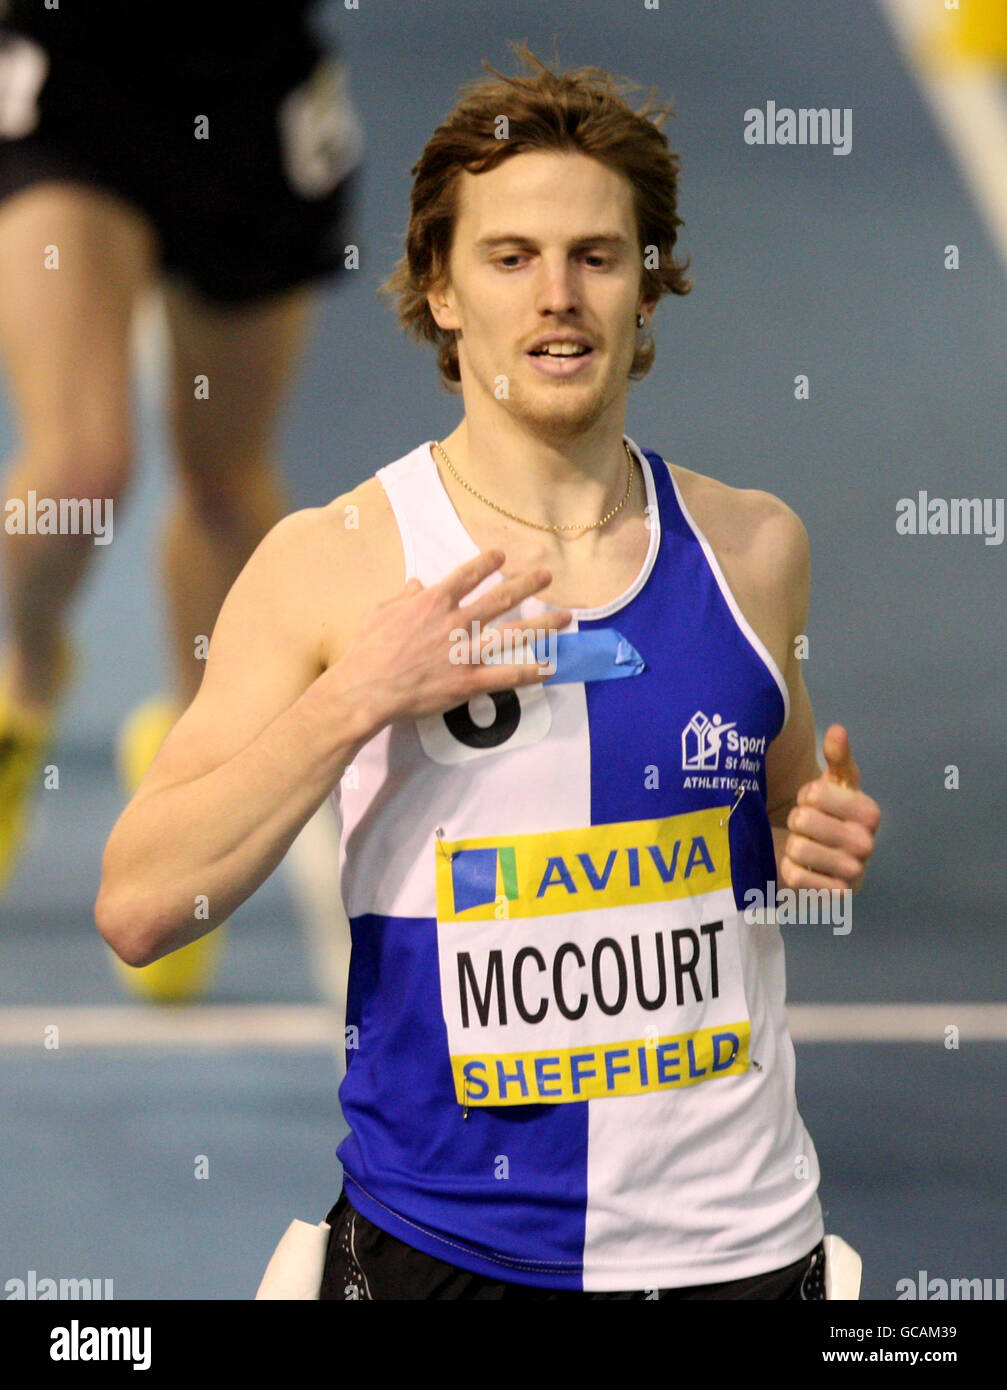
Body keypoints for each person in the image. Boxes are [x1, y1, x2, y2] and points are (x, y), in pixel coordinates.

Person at [95, 44, 881, 1298]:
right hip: (448, 1252)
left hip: (742, 1250)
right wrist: (362, 691)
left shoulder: (753, 547)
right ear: (440, 290)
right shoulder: (334, 565)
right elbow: (141, 908)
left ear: (646, 287)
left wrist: (810, 832)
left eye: (596, 257)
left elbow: (780, 816)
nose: (555, 296)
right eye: (509, 259)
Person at [0, 0, 362, 999]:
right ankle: (25, 683)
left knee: (225, 480)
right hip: (68, 77)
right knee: (79, 465)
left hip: (246, 93)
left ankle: (191, 762)